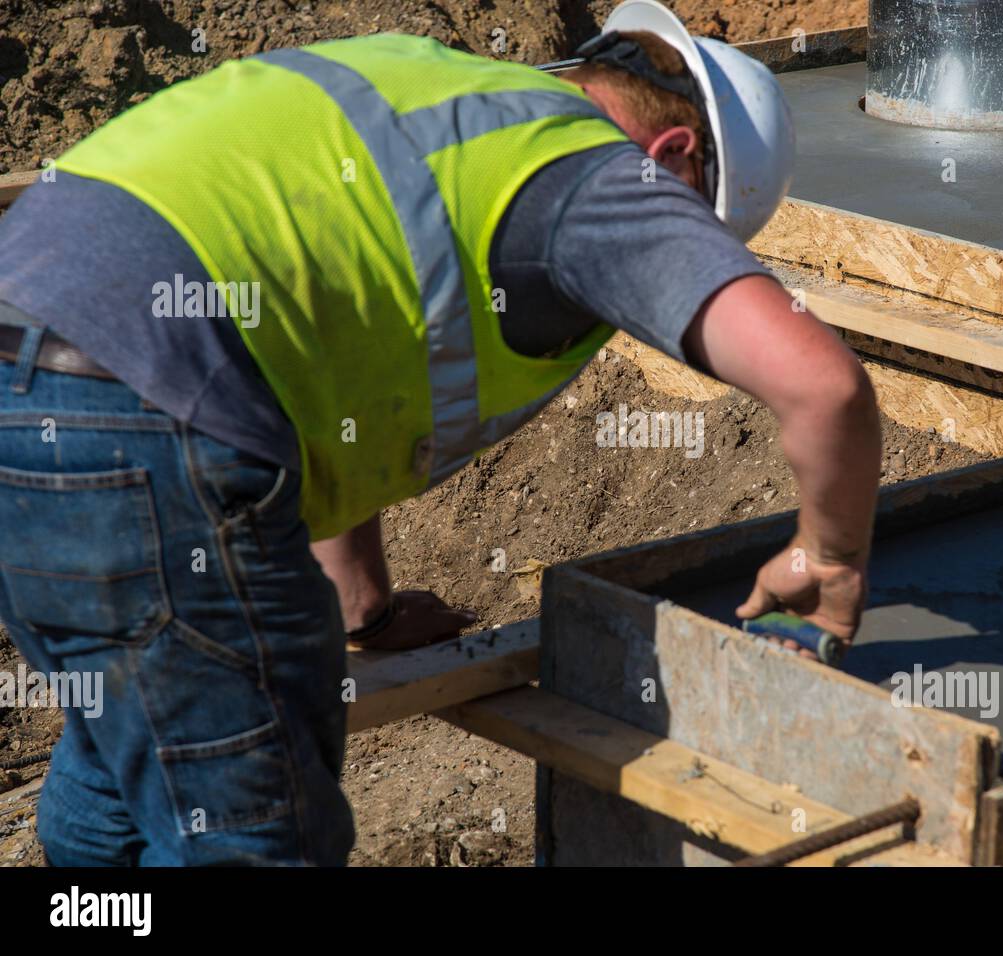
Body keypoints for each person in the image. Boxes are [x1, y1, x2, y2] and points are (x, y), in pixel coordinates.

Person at [0, 0, 880, 865]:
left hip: (34, 375)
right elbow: (825, 385)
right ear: (675, 153)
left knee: (139, 738)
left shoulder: (443, 97)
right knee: (258, 839)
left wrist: (363, 609)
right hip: (138, 406)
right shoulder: (601, 177)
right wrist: (830, 556)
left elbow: (333, 341)